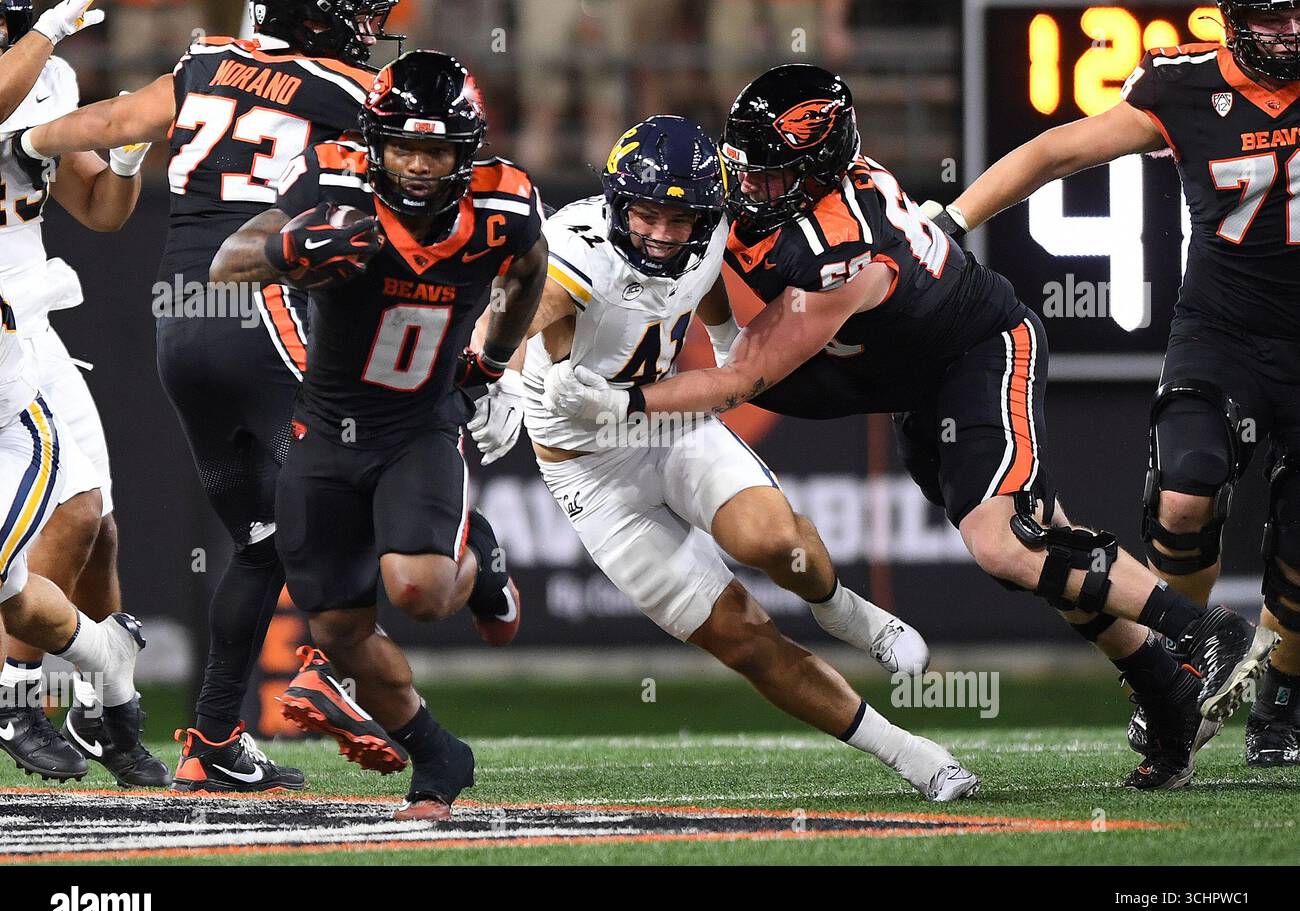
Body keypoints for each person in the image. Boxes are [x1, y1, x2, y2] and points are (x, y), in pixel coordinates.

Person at [545, 64, 1271, 791]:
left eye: (769, 176)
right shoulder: (775, 200)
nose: (746, 187)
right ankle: (1162, 686)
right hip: (905, 380)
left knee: (1006, 545)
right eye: (742, 167)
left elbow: (741, 382)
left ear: (815, 174)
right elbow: (705, 277)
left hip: (974, 356)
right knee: (1042, 540)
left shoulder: (840, 247)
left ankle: (1208, 631)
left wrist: (627, 405)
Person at [470, 114, 974, 802]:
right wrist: (491, 379)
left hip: (665, 424)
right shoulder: (578, 254)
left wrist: (728, 333)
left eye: (682, 220)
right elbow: (509, 310)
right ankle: (914, 756)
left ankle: (840, 609)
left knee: (772, 541)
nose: (662, 233)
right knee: (744, 639)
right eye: (646, 213)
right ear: (619, 202)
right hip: (588, 472)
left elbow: (703, 276)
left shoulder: (711, 232)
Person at [21, 0, 404, 790]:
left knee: (262, 539)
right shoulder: (351, 88)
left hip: (178, 324)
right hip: (258, 311)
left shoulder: (205, 63)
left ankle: (214, 739)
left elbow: (109, 123)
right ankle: (326, 670)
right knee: (366, 478)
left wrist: (23, 140)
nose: (369, 30)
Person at [936, 1, 1300, 768]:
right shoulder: (1184, 84)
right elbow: (1060, 153)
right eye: (1273, 17)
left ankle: (1282, 704)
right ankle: (1179, 670)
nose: (1290, 33)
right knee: (1185, 490)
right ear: (1236, 20)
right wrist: (955, 215)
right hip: (1222, 334)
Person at [211, 50, 547, 819]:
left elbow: (530, 271)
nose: (420, 167)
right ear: (375, 142)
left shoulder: (505, 202)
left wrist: (494, 363)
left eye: (436, 150)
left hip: (419, 423)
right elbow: (228, 261)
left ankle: (476, 556)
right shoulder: (330, 179)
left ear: (467, 151)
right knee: (336, 629)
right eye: (404, 147)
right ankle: (437, 754)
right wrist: (285, 251)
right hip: (325, 429)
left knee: (420, 592)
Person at [0, 0, 165, 785]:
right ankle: (15, 693)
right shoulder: (34, 56)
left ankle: (105, 706)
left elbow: (98, 210)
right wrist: (48, 32)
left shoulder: (48, 74)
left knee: (96, 523)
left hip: (28, 320)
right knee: (54, 520)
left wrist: (127, 158)